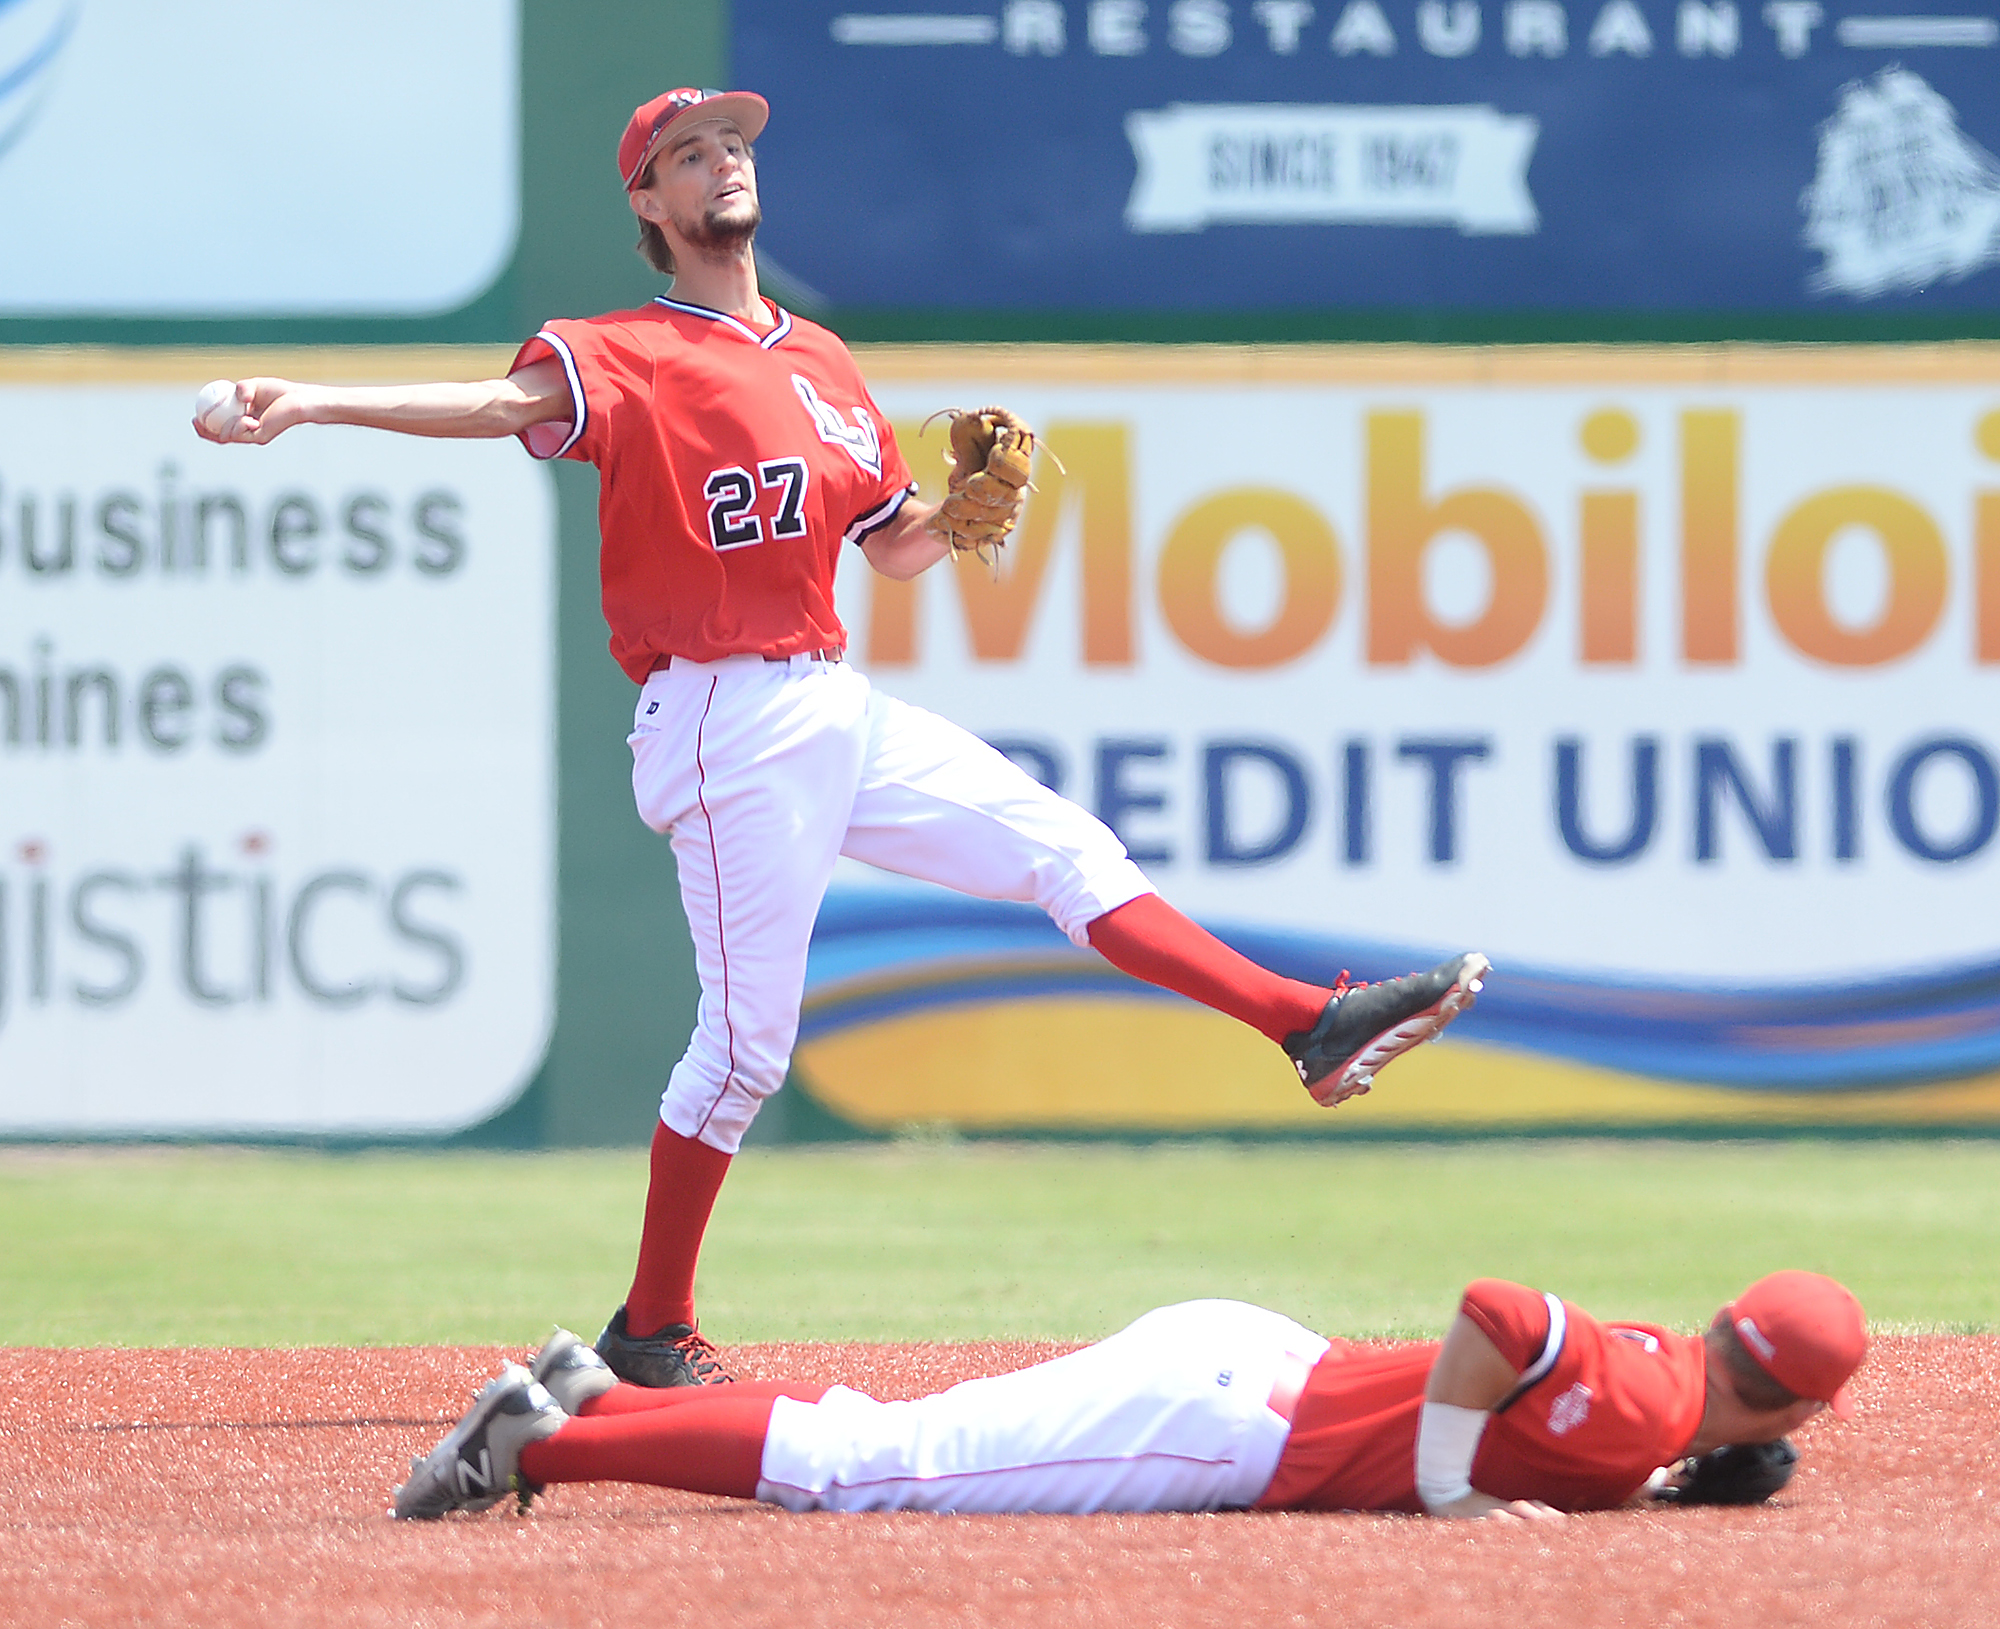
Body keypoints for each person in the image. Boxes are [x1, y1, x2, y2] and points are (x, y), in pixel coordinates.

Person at [195, 85, 1489, 1392]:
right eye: (689, 157)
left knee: (1060, 846)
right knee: (747, 1050)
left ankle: (1303, 1026)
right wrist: (307, 401)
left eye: (735, 148)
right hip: (718, 713)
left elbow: (902, 551)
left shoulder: (816, 358)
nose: (722, 167)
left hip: (828, 698)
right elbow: (492, 405)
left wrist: (979, 505)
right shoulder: (627, 348)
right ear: (650, 204)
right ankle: (651, 1328)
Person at [389, 1269, 1866, 1522]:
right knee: (866, 1469)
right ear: (1797, 1411)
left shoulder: (1662, 1403)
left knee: (895, 1442)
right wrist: (1446, 1487)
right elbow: (1501, 1316)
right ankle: (544, 1448)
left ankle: (590, 1400)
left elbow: (1567, 1397)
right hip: (1227, 1420)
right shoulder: (1653, 1418)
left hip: (1249, 1366)